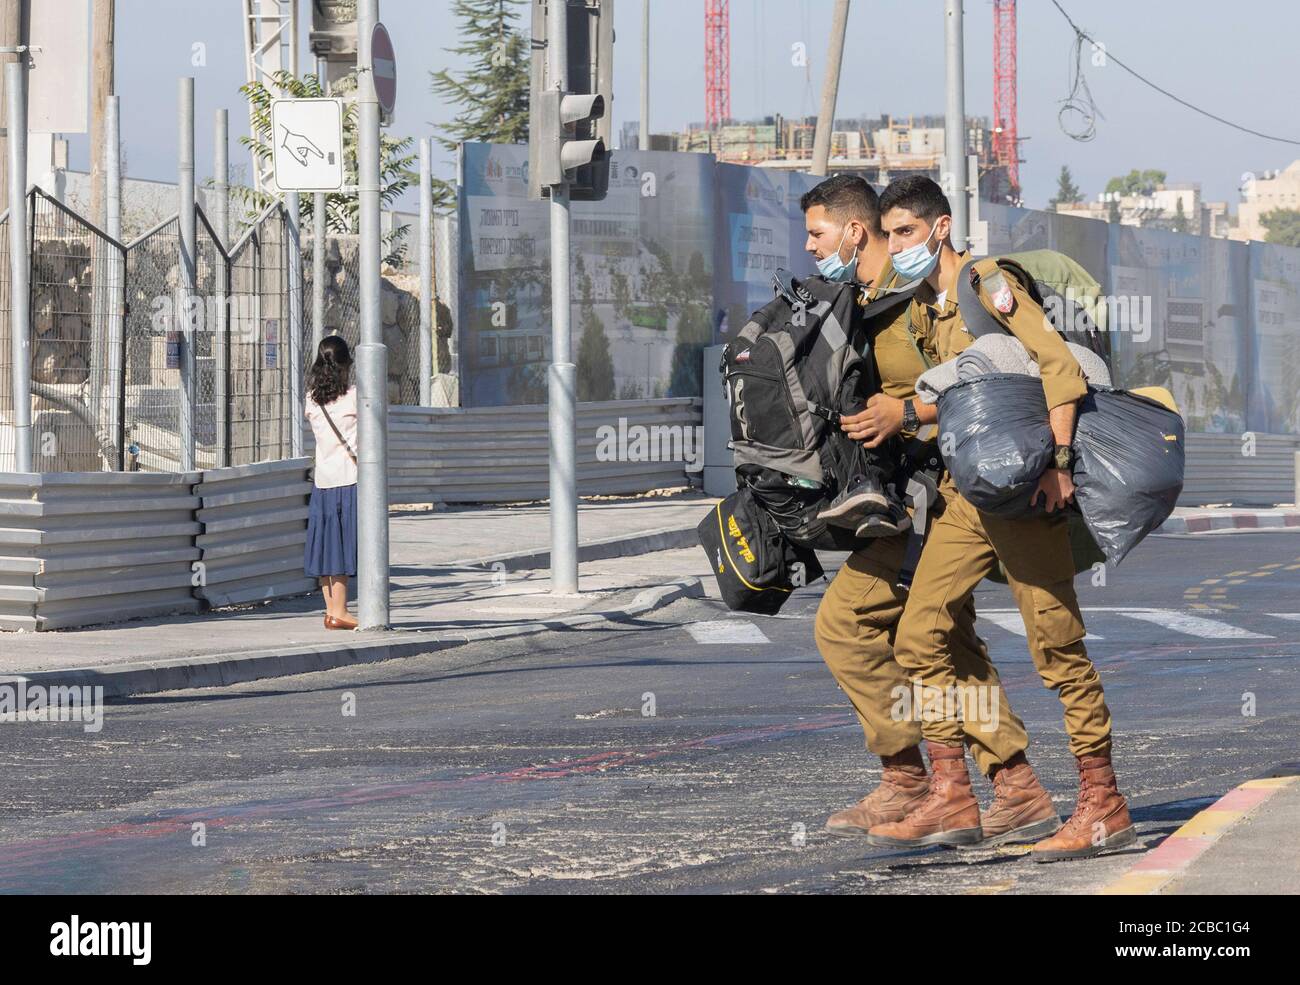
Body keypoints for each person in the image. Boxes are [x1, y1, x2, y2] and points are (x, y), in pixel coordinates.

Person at [860, 175, 1133, 860]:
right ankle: (955, 791)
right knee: (920, 633)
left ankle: (1104, 801)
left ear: (941, 228)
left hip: (1023, 491)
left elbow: (1057, 365)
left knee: (1057, 648)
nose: (897, 247)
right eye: (889, 235)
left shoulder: (987, 284)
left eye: (906, 233)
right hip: (966, 494)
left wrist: (1059, 461)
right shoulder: (923, 306)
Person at [803, 174, 1059, 847]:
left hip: (936, 492)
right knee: (943, 638)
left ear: (858, 232)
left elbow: (976, 379)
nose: (809, 248)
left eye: (818, 233)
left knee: (865, 624)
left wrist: (905, 413)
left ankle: (924, 780)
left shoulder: (916, 298)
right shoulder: (861, 300)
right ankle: (1004, 783)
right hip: (907, 495)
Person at [303, 335, 359, 631]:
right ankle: (341, 610)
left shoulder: (312, 398)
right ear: (345, 365)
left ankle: (330, 610)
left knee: (325, 545)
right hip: (349, 478)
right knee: (342, 545)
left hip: (322, 479)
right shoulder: (353, 397)